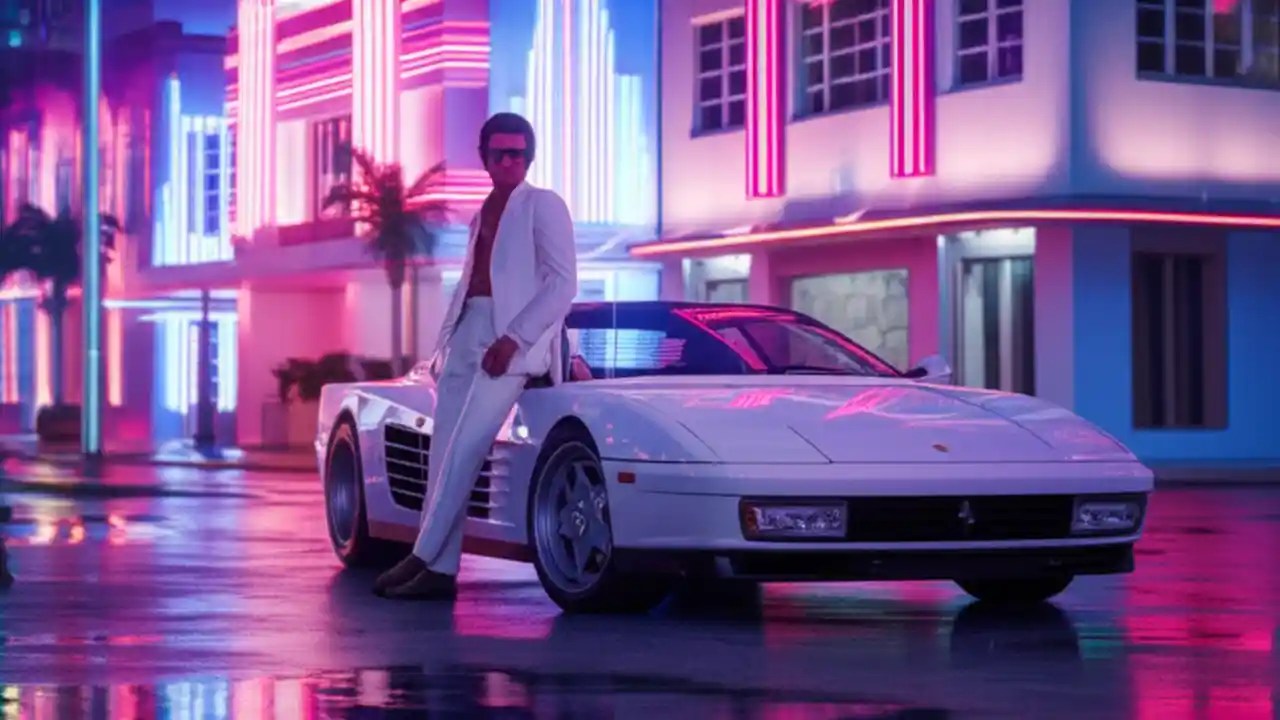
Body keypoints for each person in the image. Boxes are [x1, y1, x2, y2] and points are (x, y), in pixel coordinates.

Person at [373, 112, 577, 599]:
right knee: (443, 453)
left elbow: (562, 283)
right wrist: (448, 344)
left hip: (507, 340)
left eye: (519, 153)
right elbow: (473, 281)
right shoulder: (483, 211)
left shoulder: (542, 204)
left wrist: (515, 339)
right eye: (501, 153)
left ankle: (421, 554)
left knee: (467, 448)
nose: (511, 161)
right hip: (467, 332)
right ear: (484, 156)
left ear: (530, 157)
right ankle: (440, 570)